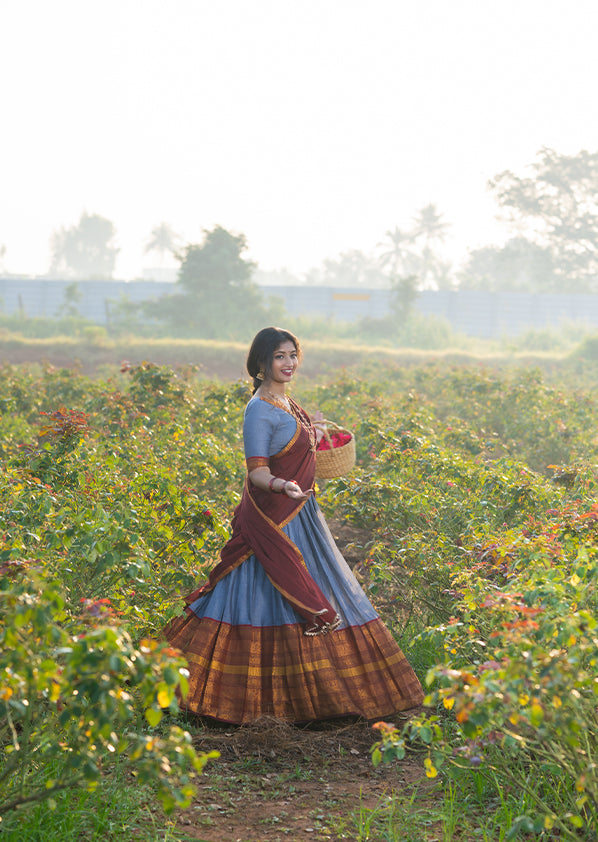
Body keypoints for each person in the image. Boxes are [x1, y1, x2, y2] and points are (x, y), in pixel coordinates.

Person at [164, 326, 424, 723]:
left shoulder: (287, 402)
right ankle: (218, 694)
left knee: (318, 585)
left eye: (292, 355)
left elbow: (295, 445)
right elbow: (257, 471)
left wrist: (313, 432)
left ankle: (323, 695)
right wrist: (283, 485)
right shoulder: (259, 409)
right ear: (261, 362)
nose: (288, 363)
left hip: (302, 514)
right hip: (274, 517)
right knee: (254, 596)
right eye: (279, 357)